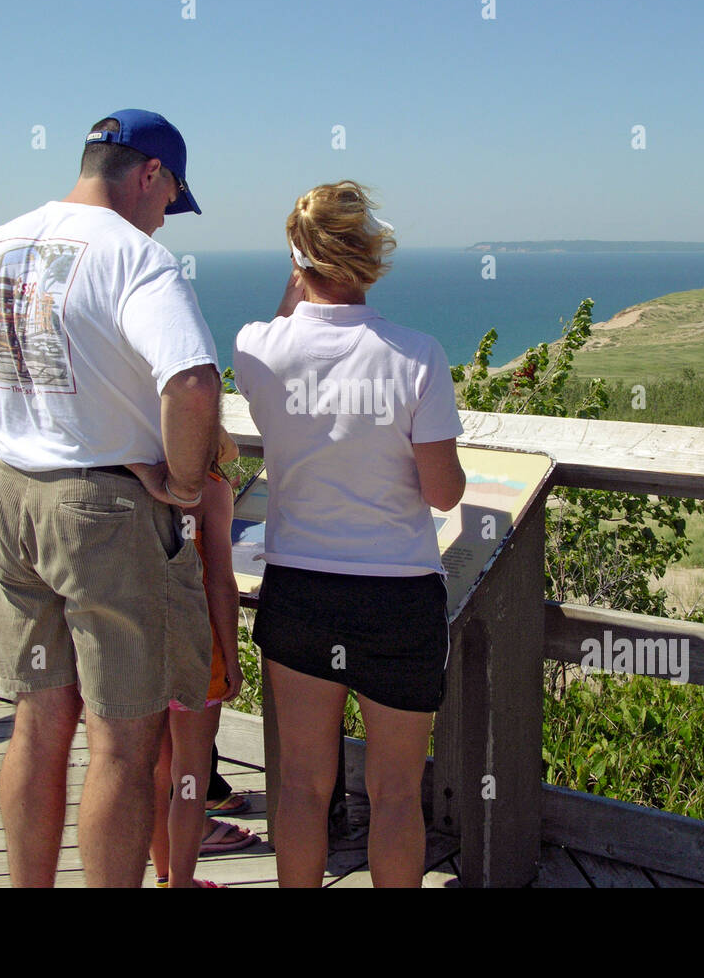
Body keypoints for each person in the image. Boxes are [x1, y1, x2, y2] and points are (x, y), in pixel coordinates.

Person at [0, 109, 222, 888]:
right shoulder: (138, 260)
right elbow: (194, 382)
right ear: (149, 174)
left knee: (36, 723)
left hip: (11, 501)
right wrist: (186, 486)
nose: (167, 215)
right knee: (124, 744)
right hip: (104, 516)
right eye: (172, 197)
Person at [232, 181, 466, 888]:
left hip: (299, 591)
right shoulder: (418, 356)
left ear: (297, 264)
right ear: (369, 259)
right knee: (396, 793)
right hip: (397, 597)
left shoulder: (256, 350)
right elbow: (443, 491)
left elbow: (277, 331)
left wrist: (294, 284)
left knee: (300, 785)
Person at [144, 427, 257, 888]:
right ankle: (184, 882)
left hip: (138, 647)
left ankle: (165, 873)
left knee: (154, 773)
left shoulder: (134, 483)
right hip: (195, 647)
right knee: (190, 777)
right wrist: (231, 658)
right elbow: (221, 582)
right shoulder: (211, 490)